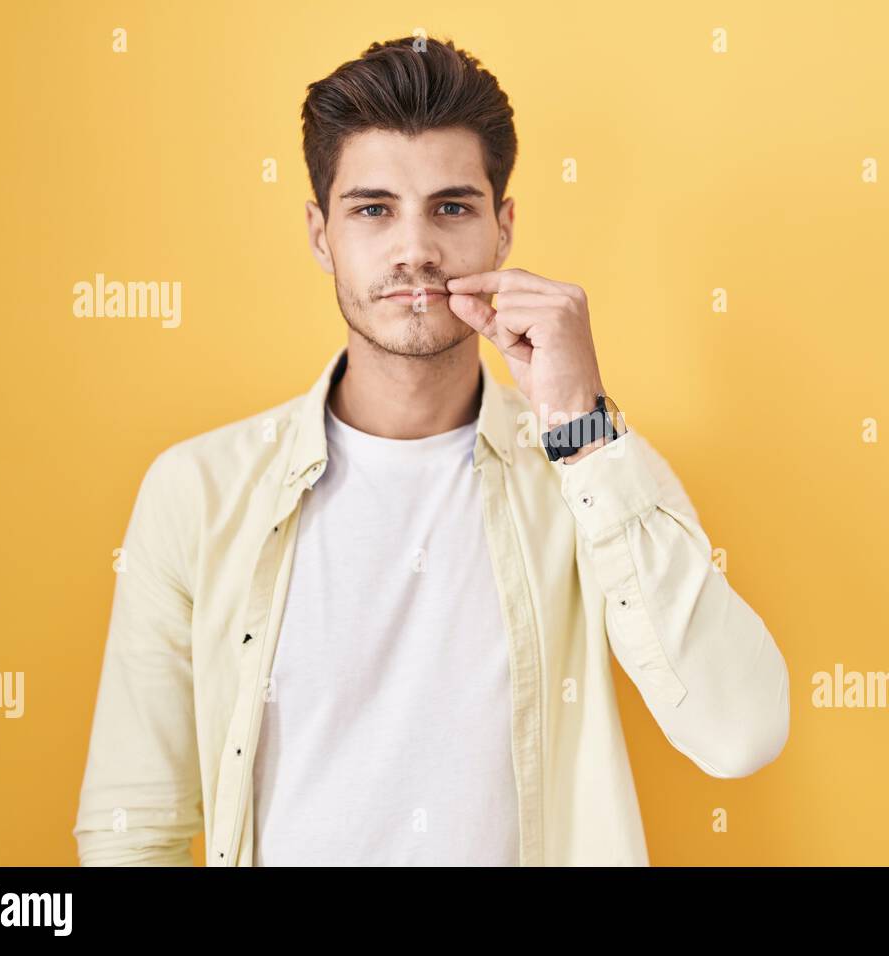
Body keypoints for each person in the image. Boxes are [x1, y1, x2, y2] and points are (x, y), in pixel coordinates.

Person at [73, 35, 789, 867]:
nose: (414, 247)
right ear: (320, 234)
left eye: (451, 207)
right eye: (373, 209)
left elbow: (741, 732)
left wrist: (581, 422)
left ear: (502, 227)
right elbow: (134, 823)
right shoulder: (197, 491)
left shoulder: (589, 465)